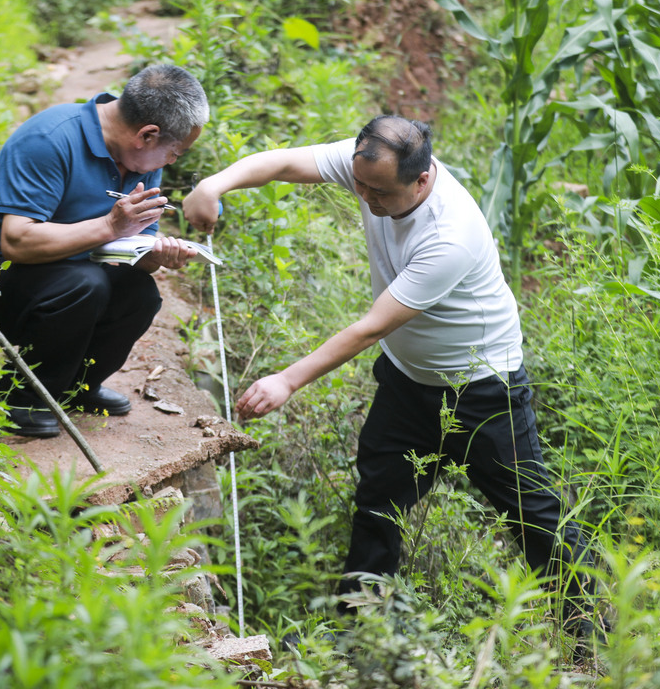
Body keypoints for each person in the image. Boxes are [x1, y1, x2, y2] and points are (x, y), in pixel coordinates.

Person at [183, 115, 601, 641]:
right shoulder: (374, 162)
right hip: (408, 382)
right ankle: (356, 633)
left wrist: (287, 380)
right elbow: (285, 162)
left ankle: (588, 635)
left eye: (378, 192)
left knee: (530, 513)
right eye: (359, 183)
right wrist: (213, 184)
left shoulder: (450, 235)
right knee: (377, 504)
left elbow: (371, 327)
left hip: (481, 389)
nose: (364, 196)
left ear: (421, 180)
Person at [0, 64, 208, 438]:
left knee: (140, 292)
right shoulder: (49, 139)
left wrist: (155, 257)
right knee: (85, 283)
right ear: (147, 135)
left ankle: (78, 386)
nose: (173, 161)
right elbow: (17, 242)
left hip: (72, 275)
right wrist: (110, 226)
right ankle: (24, 398)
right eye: (176, 152)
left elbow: (133, 250)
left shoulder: (140, 159)